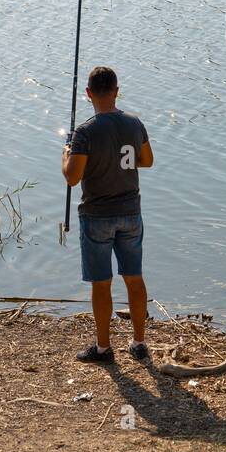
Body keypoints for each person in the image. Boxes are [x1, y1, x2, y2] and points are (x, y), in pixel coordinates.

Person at [62, 66, 154, 362]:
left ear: (88, 94)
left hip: (97, 216)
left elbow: (72, 178)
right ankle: (139, 343)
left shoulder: (85, 132)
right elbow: (147, 160)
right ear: (116, 91)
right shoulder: (134, 123)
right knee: (134, 277)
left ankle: (103, 348)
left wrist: (66, 154)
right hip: (130, 213)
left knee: (102, 283)